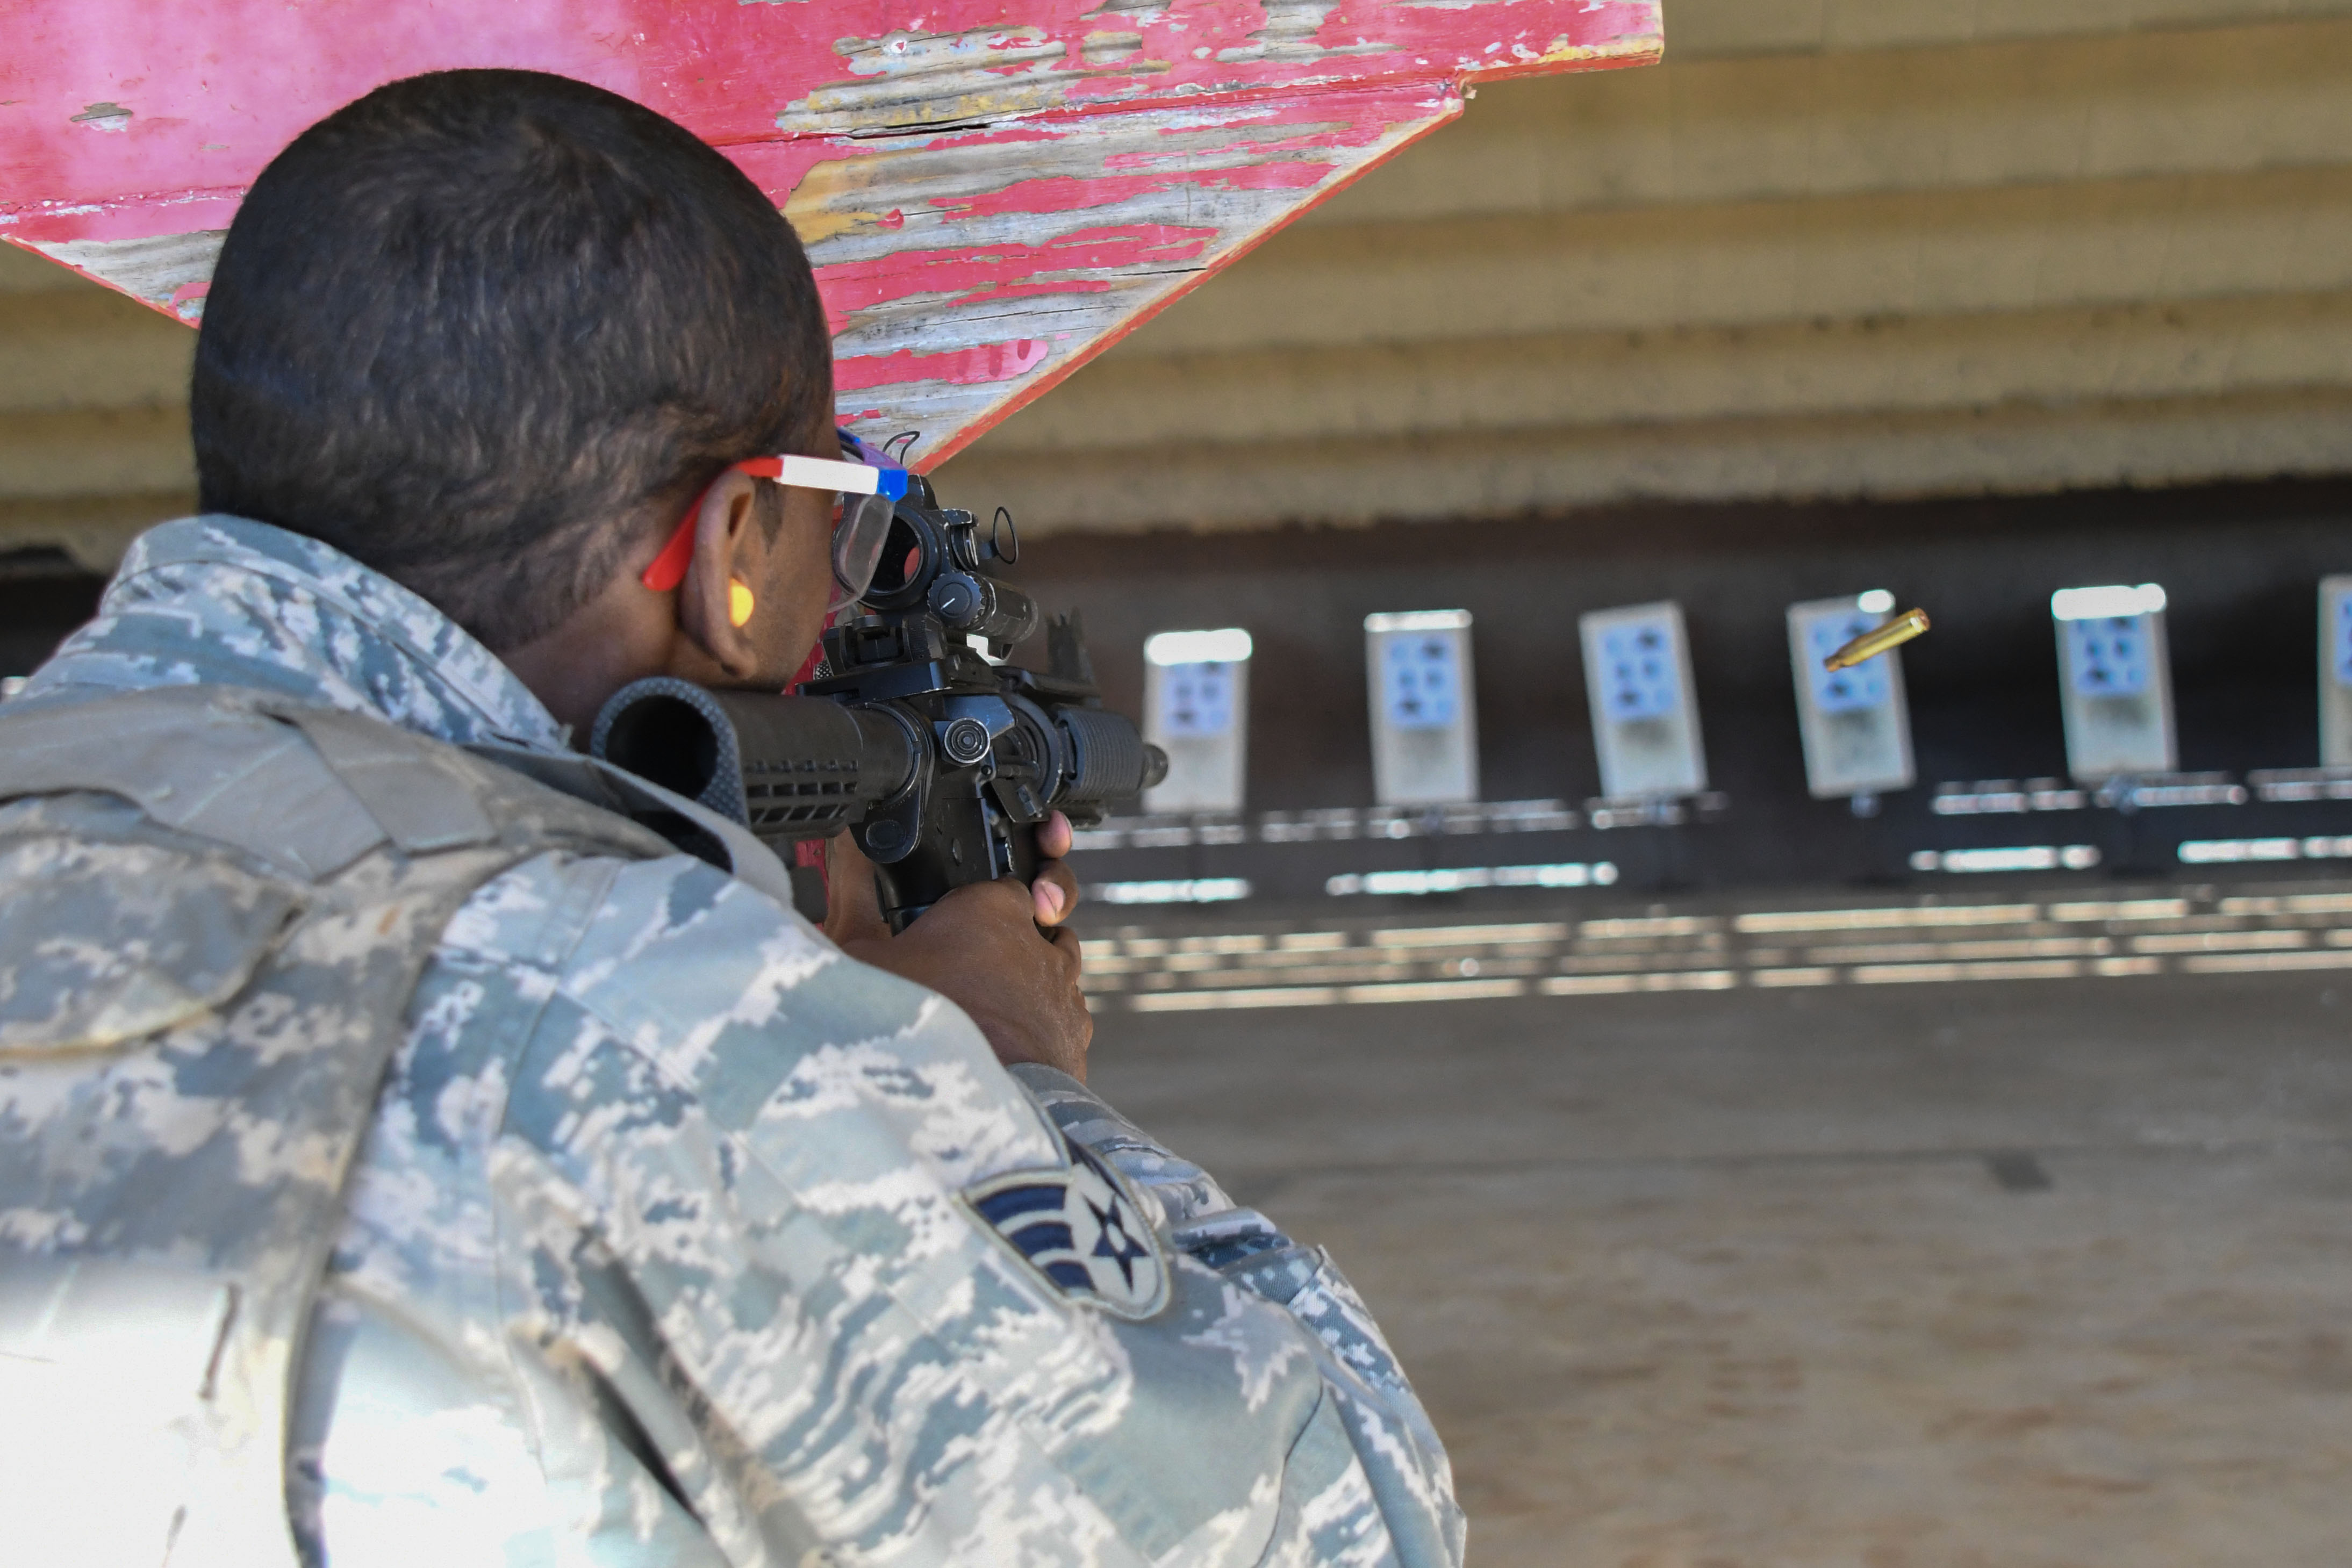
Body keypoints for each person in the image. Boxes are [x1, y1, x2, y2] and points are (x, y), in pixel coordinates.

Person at [0, 70, 1462, 1566]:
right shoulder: (631, 1016)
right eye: (840, 502)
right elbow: (1341, 1516)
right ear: (737, 547)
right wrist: (1020, 1087)